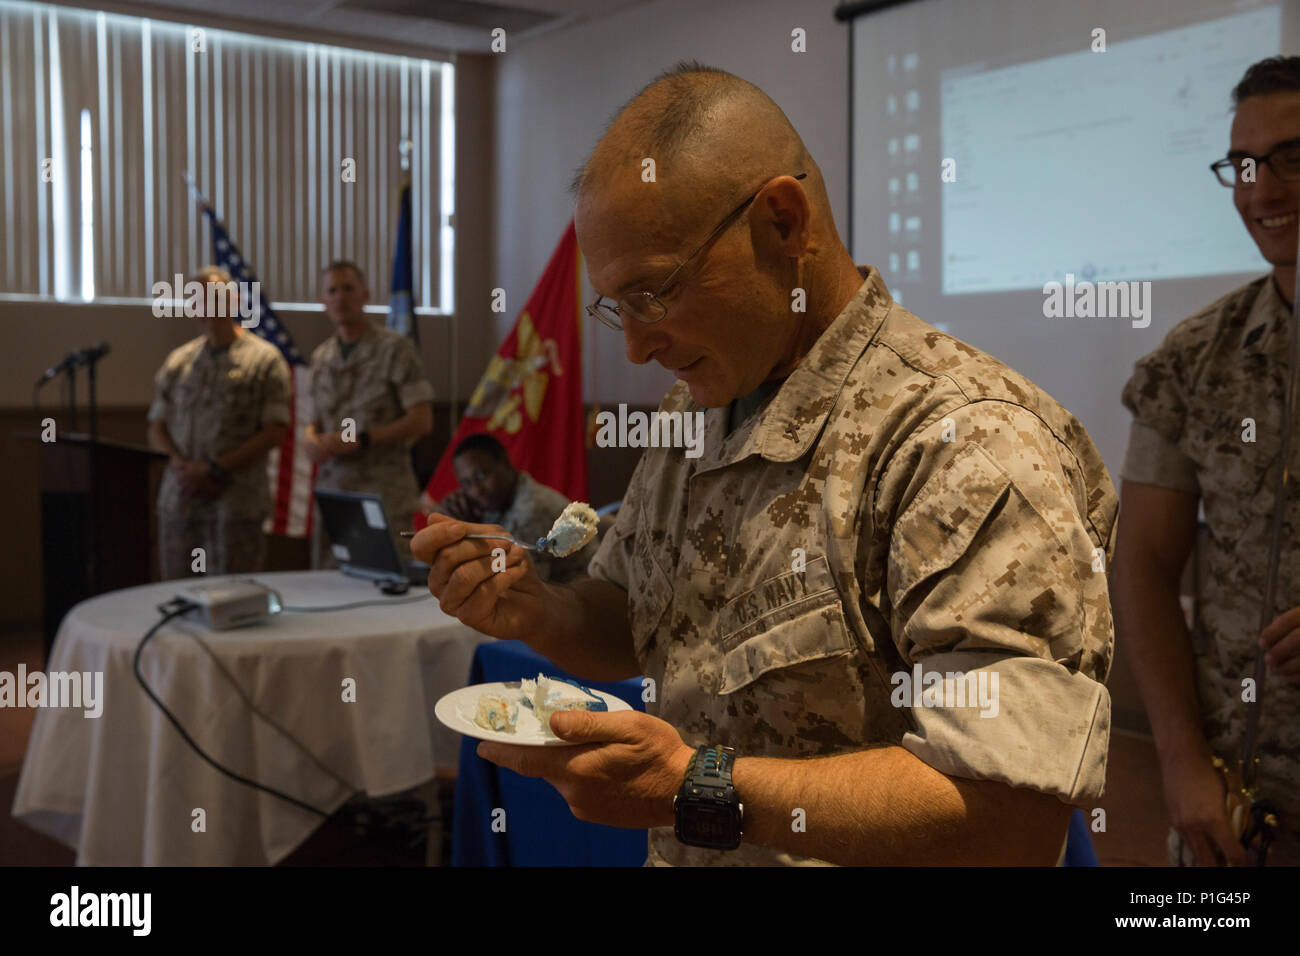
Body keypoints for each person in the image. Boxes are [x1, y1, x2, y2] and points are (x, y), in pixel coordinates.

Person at [412, 62, 1117, 866]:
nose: (637, 347)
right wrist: (537, 609)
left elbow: (1005, 819)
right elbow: (635, 626)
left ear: (783, 223)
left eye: (655, 293)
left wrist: (697, 788)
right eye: (616, 309)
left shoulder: (964, 442)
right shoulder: (701, 411)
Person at [1114, 56, 1300, 867]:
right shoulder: (1193, 360)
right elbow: (1145, 566)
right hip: (1236, 813)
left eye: (1292, 157)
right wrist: (1182, 766)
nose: (1262, 191)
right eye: (1245, 165)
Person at [147, 265, 291, 578]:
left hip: (236, 499)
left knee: (233, 596)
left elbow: (273, 431)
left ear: (234, 301)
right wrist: (182, 466)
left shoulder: (264, 359)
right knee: (177, 592)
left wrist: (214, 468)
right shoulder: (179, 362)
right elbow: (157, 426)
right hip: (181, 498)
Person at [304, 261, 434, 567]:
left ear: (365, 295)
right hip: (335, 492)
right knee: (328, 586)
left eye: (348, 288)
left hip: (384, 492)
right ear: (323, 300)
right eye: (332, 291)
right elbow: (314, 420)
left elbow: (422, 419)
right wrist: (310, 439)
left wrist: (363, 440)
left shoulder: (396, 349)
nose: (340, 297)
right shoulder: (321, 358)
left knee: (390, 583)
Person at [422, 433, 600, 583]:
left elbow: (513, 581)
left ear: (506, 464)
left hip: (580, 602)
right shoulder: (496, 499)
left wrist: (465, 533)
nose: (476, 490)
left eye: (481, 475)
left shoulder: (532, 510)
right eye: (467, 483)